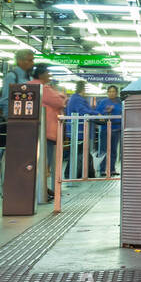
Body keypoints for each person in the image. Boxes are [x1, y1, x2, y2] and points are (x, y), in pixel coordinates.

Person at [34, 65, 68, 199]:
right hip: (47, 131)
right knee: (44, 162)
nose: (49, 76)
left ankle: (42, 189)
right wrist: (62, 95)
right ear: (41, 74)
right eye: (48, 73)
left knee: (39, 162)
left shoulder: (32, 85)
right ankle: (41, 192)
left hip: (36, 130)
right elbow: (60, 102)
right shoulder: (45, 88)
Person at [64, 82, 94, 179]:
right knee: (77, 152)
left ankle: (78, 173)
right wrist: (96, 114)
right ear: (83, 89)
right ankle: (71, 174)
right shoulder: (77, 99)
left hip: (77, 130)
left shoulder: (75, 98)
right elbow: (82, 111)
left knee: (79, 152)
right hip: (78, 130)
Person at [95, 85, 123, 175]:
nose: (111, 93)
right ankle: (103, 170)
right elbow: (97, 113)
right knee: (104, 149)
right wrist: (106, 111)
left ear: (116, 93)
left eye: (113, 91)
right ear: (107, 93)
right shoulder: (103, 102)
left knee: (114, 150)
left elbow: (122, 112)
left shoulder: (120, 102)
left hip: (116, 129)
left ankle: (112, 169)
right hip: (105, 129)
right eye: (109, 91)